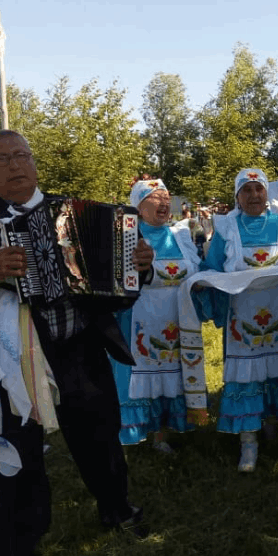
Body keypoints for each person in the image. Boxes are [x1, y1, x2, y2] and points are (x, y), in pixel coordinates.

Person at [0, 130, 153, 556]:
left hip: (78, 345)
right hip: (12, 359)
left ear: (33, 162)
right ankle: (22, 540)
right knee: (20, 448)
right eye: (0, 159)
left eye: (20, 155)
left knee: (99, 435)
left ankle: (117, 510)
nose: (14, 165)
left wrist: (138, 265)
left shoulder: (73, 211)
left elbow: (120, 285)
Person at [193, 168, 278, 473]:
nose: (253, 196)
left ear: (267, 193)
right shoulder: (226, 228)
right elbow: (213, 268)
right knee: (245, 377)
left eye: (258, 189)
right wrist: (201, 282)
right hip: (242, 315)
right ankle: (248, 442)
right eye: (246, 190)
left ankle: (273, 425)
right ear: (237, 196)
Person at [111, 178, 201, 453]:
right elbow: (117, 282)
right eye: (155, 197)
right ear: (138, 206)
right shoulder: (126, 238)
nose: (164, 202)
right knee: (137, 378)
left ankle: (161, 436)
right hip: (139, 320)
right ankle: (131, 437)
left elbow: (196, 270)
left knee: (170, 375)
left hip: (176, 320)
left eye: (166, 196)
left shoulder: (181, 234)